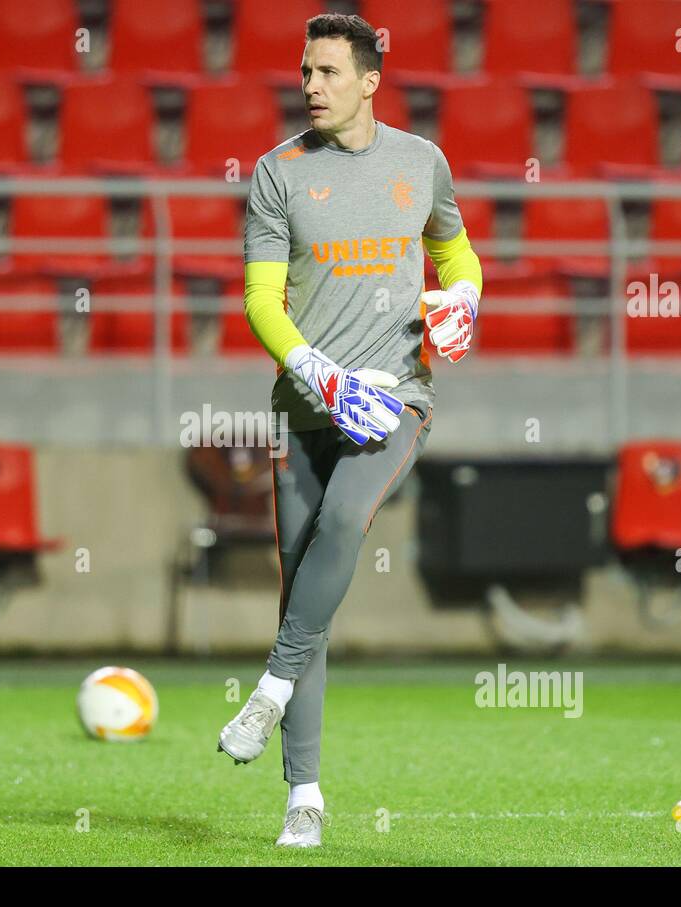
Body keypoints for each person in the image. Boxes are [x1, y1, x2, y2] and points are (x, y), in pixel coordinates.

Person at [215, 12, 484, 848]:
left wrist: (465, 299)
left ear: (370, 80)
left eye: (328, 72)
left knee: (343, 522)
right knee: (305, 593)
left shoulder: (421, 162)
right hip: (305, 407)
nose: (310, 86)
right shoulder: (276, 174)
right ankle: (307, 797)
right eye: (305, 72)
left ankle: (268, 688)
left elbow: (458, 255)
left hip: (396, 396)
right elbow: (262, 300)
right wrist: (317, 374)